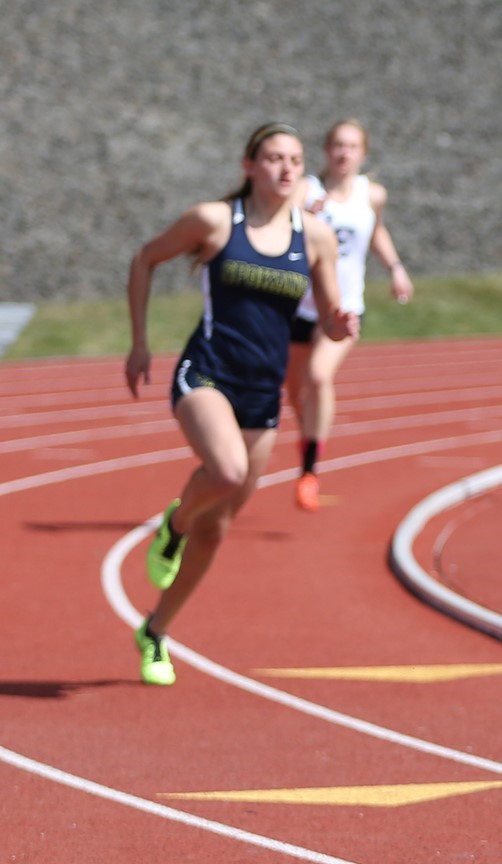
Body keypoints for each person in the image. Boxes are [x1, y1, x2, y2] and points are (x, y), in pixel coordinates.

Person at [124, 123, 357, 685]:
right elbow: (145, 259)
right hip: (206, 372)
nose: (286, 168)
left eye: (295, 160)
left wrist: (339, 324)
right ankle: (174, 525)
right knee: (225, 471)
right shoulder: (214, 221)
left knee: (219, 527)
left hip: (262, 390)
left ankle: (155, 631)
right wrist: (139, 342)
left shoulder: (316, 237)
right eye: (274, 158)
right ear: (249, 166)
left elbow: (328, 318)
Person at [287, 118, 412, 512]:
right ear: (326, 150)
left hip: (343, 309)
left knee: (319, 376)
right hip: (298, 306)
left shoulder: (371, 195)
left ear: (363, 153)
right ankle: (310, 437)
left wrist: (395, 267)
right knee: (295, 393)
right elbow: (280, 223)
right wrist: (303, 215)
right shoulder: (306, 189)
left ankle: (309, 472)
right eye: (338, 145)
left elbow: (376, 230)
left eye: (352, 146)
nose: (344, 153)